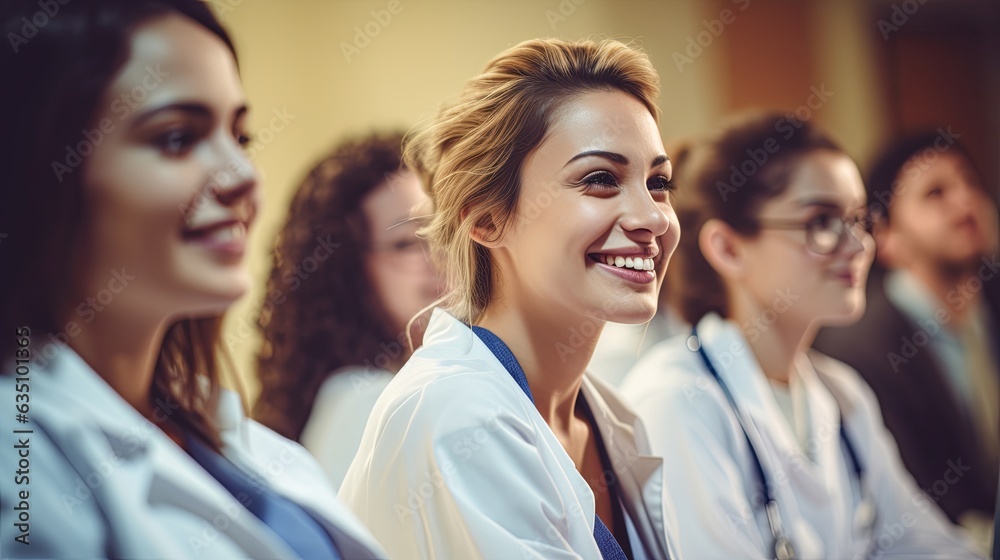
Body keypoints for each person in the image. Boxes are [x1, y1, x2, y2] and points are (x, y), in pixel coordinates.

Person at [0, 1, 384, 557]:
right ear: (41, 171)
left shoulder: (212, 420)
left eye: (241, 137)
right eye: (178, 137)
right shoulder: (20, 459)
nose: (244, 177)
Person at [339, 38, 680, 559]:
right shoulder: (457, 413)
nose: (653, 217)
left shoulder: (610, 419)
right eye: (600, 179)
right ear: (487, 220)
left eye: (658, 182)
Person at [620, 112, 980, 559]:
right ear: (728, 249)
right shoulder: (676, 399)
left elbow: (928, 546)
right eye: (821, 222)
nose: (858, 246)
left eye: (858, 220)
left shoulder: (844, 396)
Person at [815, 132, 1000, 546]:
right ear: (886, 238)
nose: (965, 201)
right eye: (936, 193)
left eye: (970, 182)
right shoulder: (857, 350)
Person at [255, 132, 442, 489]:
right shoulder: (366, 401)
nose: (439, 257)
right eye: (405, 243)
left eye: (441, 231)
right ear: (346, 272)